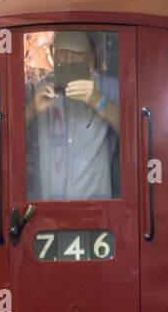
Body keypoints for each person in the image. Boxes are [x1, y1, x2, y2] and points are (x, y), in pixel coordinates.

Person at [24, 31, 119, 201]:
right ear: (53, 53)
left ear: (88, 55)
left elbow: (135, 134)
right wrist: (31, 110)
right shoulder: (39, 90)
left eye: (75, 54)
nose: (68, 60)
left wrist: (99, 101)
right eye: (62, 53)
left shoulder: (108, 87)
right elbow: (8, 137)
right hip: (46, 210)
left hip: (96, 208)